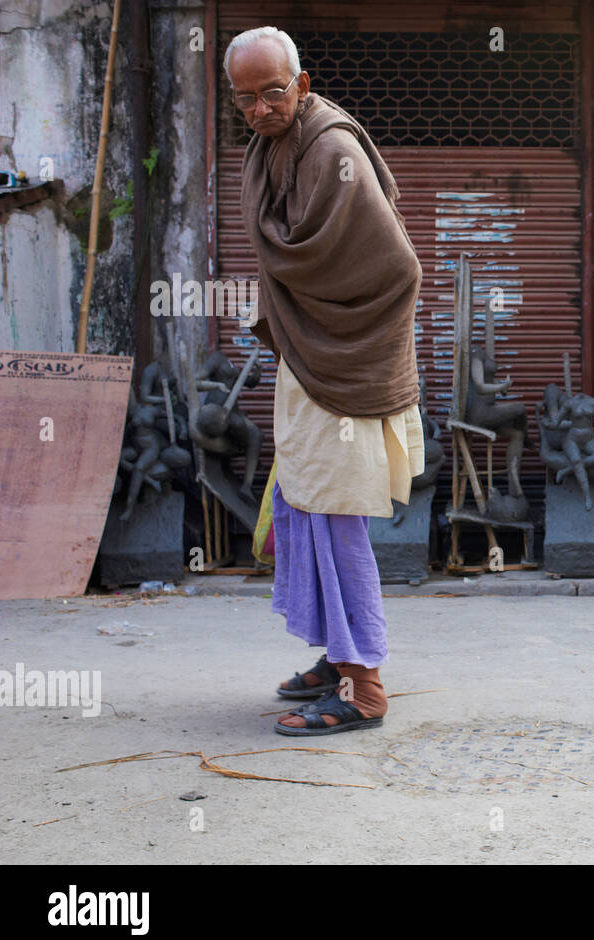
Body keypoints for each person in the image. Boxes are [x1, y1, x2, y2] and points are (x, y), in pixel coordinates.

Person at [227, 26, 425, 736]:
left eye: (272, 92)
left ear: (301, 86)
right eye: (244, 98)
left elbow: (397, 269)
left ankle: (363, 683)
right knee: (302, 507)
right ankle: (333, 656)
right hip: (307, 365)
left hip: (343, 370)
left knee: (335, 517)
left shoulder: (333, 151)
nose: (258, 109)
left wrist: (329, 330)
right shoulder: (275, 146)